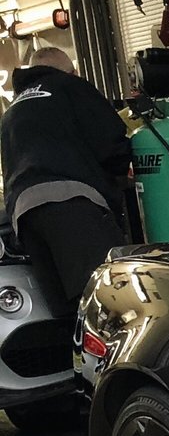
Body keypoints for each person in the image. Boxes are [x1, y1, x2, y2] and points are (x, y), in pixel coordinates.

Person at [0, 46, 131, 316]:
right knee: (111, 299)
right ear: (71, 71)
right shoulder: (69, 85)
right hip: (71, 203)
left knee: (68, 314)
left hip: (25, 216)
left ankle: (76, 358)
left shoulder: (13, 109)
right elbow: (110, 141)